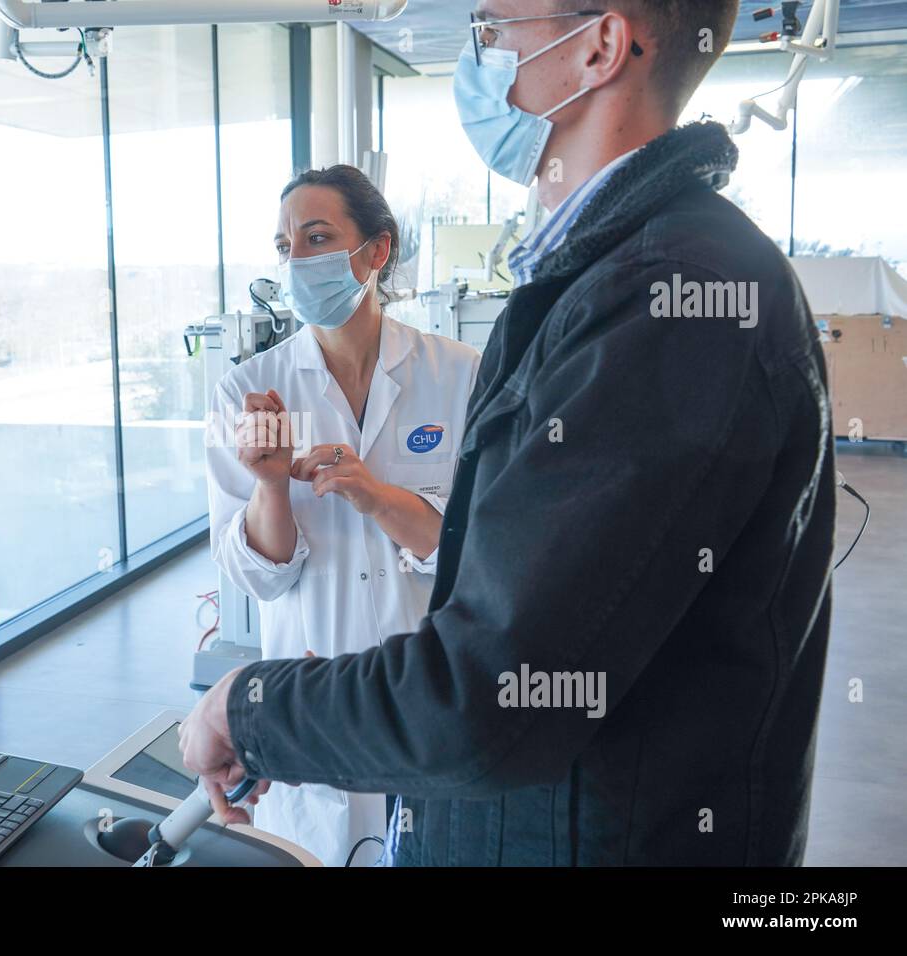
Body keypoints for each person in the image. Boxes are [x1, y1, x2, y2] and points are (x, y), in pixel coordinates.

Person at [180, 0, 837, 866]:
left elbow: (491, 697)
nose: (476, 55)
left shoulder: (669, 299)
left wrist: (248, 707)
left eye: (493, 27)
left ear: (599, 45)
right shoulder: (597, 286)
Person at [204, 164, 480, 866]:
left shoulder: (461, 375)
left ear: (376, 251)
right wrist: (270, 486)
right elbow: (256, 580)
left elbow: (483, 554)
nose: (296, 260)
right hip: (312, 701)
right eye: (284, 245)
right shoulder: (248, 390)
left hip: (429, 696)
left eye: (318, 237)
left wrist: (376, 495)